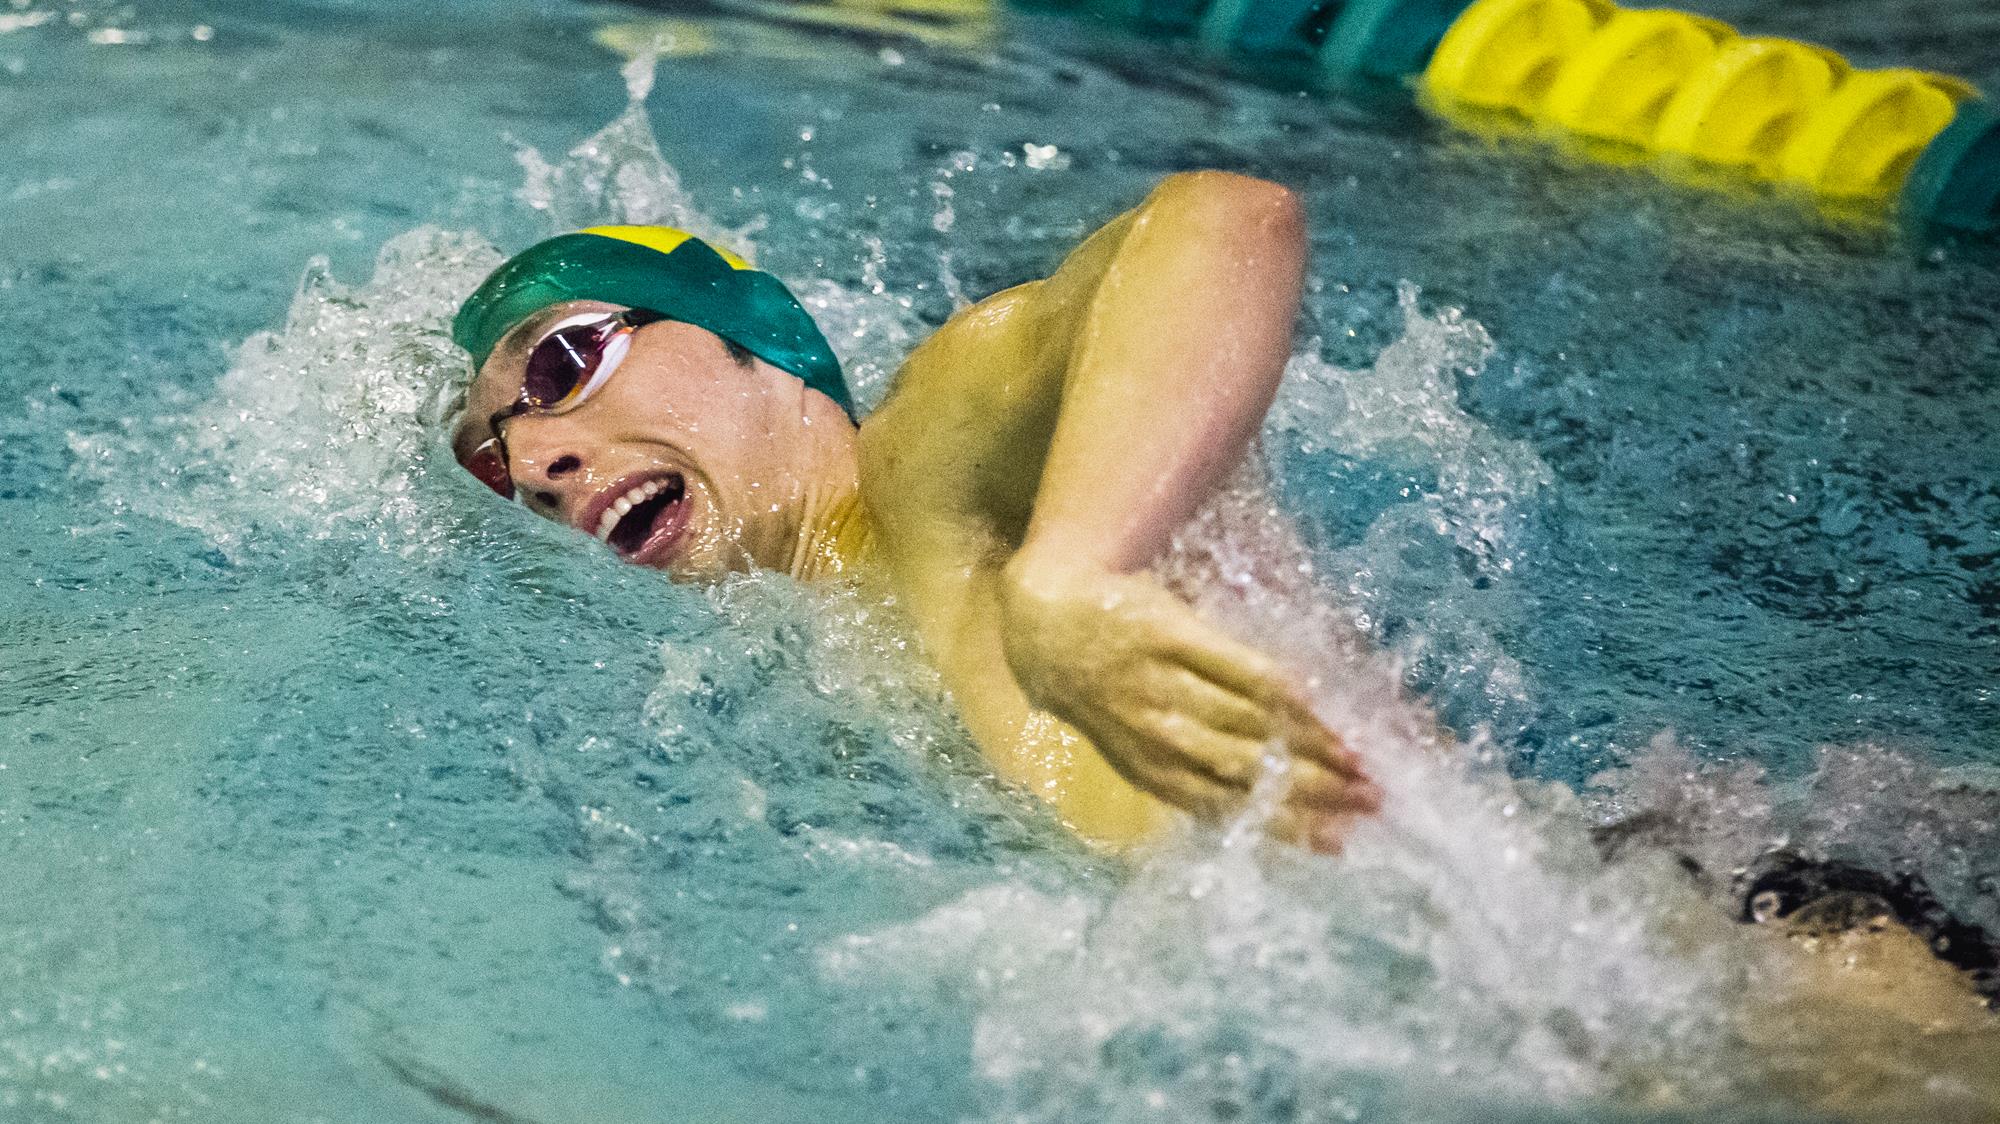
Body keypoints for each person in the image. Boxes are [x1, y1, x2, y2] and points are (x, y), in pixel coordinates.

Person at [451, 171, 1381, 853]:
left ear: (755, 336)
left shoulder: (923, 464)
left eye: (562, 365)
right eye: (497, 458)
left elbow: (1231, 218)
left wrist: (1076, 567)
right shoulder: (811, 671)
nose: (535, 463)